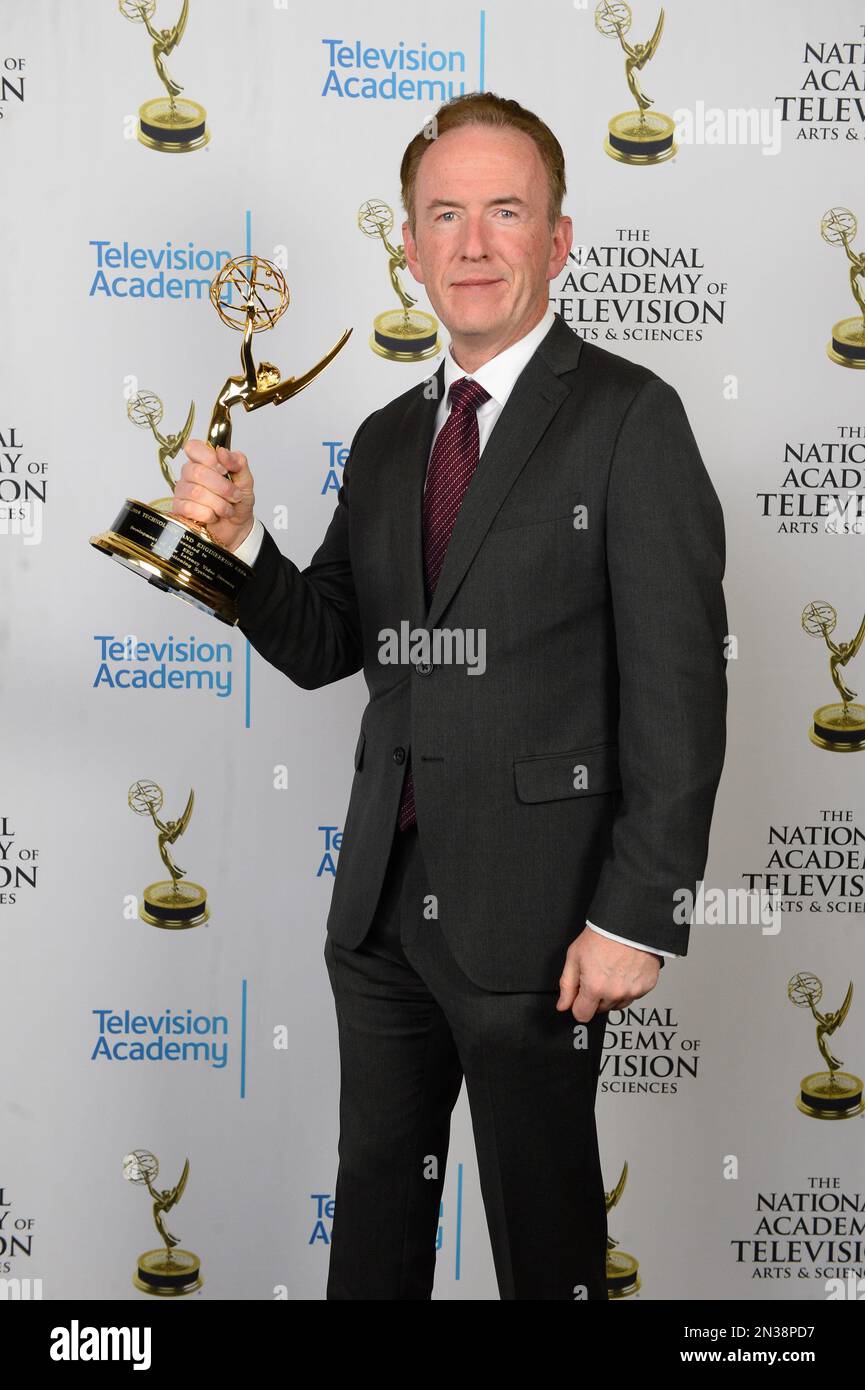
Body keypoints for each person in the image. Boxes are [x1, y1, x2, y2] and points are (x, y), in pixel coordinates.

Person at [171, 91, 728, 1301]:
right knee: (374, 1231)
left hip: (546, 919)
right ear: (412, 248)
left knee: (545, 1244)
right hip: (378, 914)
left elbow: (681, 690)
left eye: (504, 212)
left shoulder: (632, 420)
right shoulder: (383, 440)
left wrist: (638, 911)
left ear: (557, 239)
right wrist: (234, 544)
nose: (472, 243)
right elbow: (327, 643)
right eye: (444, 216)